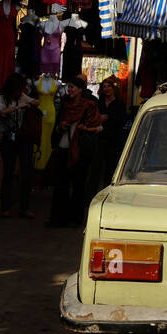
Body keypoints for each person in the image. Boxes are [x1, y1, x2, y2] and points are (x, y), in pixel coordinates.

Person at [47, 77, 104, 227]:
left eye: (72, 87)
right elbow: (57, 126)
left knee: (78, 185)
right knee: (61, 185)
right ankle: (59, 218)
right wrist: (61, 126)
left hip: (81, 150)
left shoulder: (89, 106)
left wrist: (85, 129)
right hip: (65, 147)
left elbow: (98, 126)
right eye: (69, 87)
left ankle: (75, 219)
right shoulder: (65, 105)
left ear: (80, 89)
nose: (70, 90)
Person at [0, 72, 39, 219]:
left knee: (26, 172)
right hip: (8, 138)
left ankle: (24, 207)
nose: (19, 92)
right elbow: (2, 112)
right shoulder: (1, 98)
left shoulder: (21, 95)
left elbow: (35, 102)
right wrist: (19, 107)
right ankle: (5, 207)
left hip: (23, 138)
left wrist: (31, 103)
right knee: (8, 172)